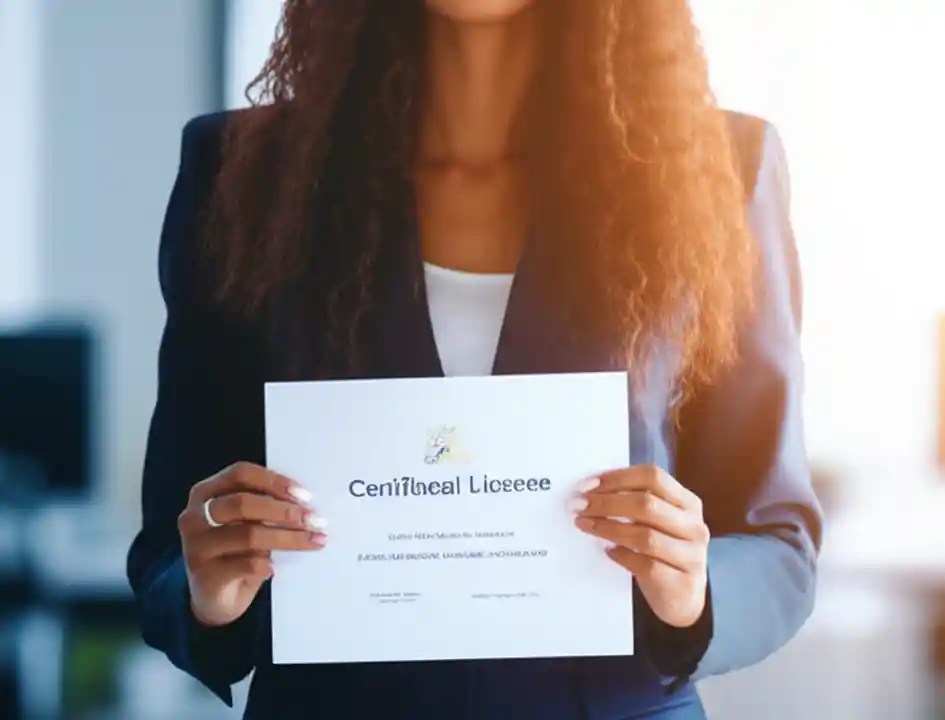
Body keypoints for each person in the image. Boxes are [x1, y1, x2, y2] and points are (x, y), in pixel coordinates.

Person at [126, 1, 820, 717]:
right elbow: (167, 553)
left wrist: (696, 585)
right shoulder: (247, 175)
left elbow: (779, 545)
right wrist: (209, 589)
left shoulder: (718, 169)